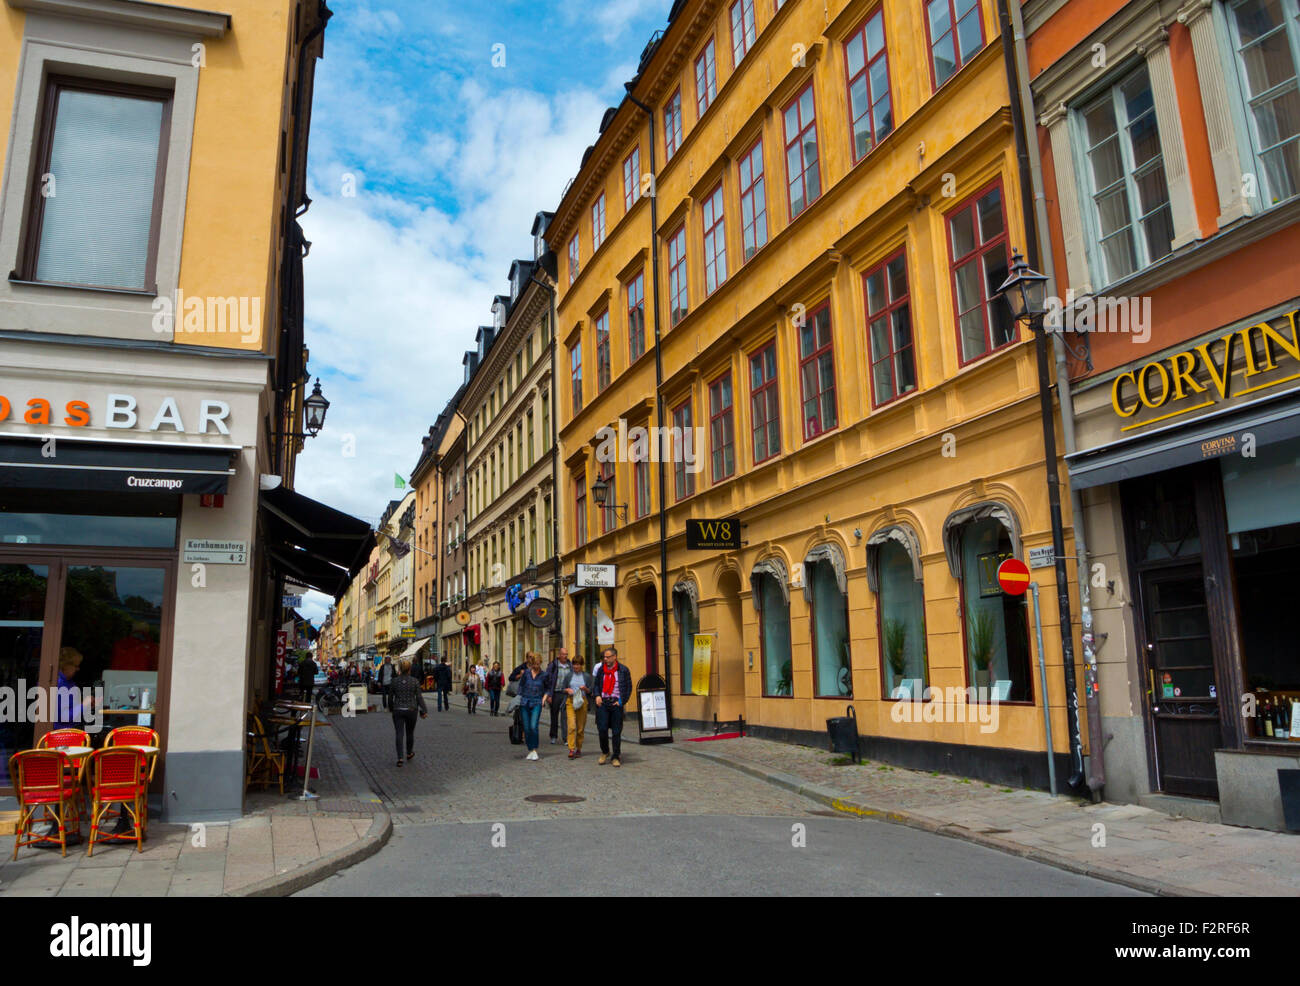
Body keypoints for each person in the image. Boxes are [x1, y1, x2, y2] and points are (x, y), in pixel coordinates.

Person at [592, 646, 633, 767]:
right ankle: (605, 751)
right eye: (604, 657)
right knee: (602, 729)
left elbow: (628, 687)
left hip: (616, 703)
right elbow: (596, 685)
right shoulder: (601, 670)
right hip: (603, 703)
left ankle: (616, 756)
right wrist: (597, 695)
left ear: (614, 657)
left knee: (616, 731)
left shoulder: (623, 670)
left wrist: (621, 701)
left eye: (608, 657)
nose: (605, 659)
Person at [508, 652, 548, 760]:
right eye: (534, 664)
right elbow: (521, 686)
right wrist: (519, 698)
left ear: (540, 663)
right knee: (526, 728)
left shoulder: (544, 675)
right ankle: (530, 749)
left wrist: (544, 699)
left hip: (537, 702)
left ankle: (534, 749)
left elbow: (548, 689)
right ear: (531, 663)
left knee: (533, 726)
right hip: (525, 702)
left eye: (538, 664)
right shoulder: (526, 673)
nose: (536, 666)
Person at [389, 658, 427, 767]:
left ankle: (400, 757)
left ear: (400, 669)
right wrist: (424, 710)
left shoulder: (394, 681)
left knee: (399, 733)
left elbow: (390, 697)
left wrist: (391, 708)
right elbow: (419, 697)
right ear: (409, 669)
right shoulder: (414, 681)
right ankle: (409, 753)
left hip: (398, 709)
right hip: (411, 710)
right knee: (410, 732)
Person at [558, 655, 592, 759]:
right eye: (574, 664)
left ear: (582, 665)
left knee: (580, 728)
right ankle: (571, 749)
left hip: (582, 701)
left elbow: (591, 691)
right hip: (570, 701)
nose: (576, 666)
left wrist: (585, 689)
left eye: (578, 664)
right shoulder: (569, 676)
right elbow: (562, 688)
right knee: (572, 726)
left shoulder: (586, 676)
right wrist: (567, 690)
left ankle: (579, 748)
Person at [543, 647, 572, 745]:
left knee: (565, 717)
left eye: (566, 654)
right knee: (554, 715)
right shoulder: (553, 665)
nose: (565, 656)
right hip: (555, 693)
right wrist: (549, 695)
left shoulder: (569, 665)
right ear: (559, 655)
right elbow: (548, 680)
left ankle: (565, 738)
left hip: (566, 693)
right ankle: (553, 736)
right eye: (563, 654)